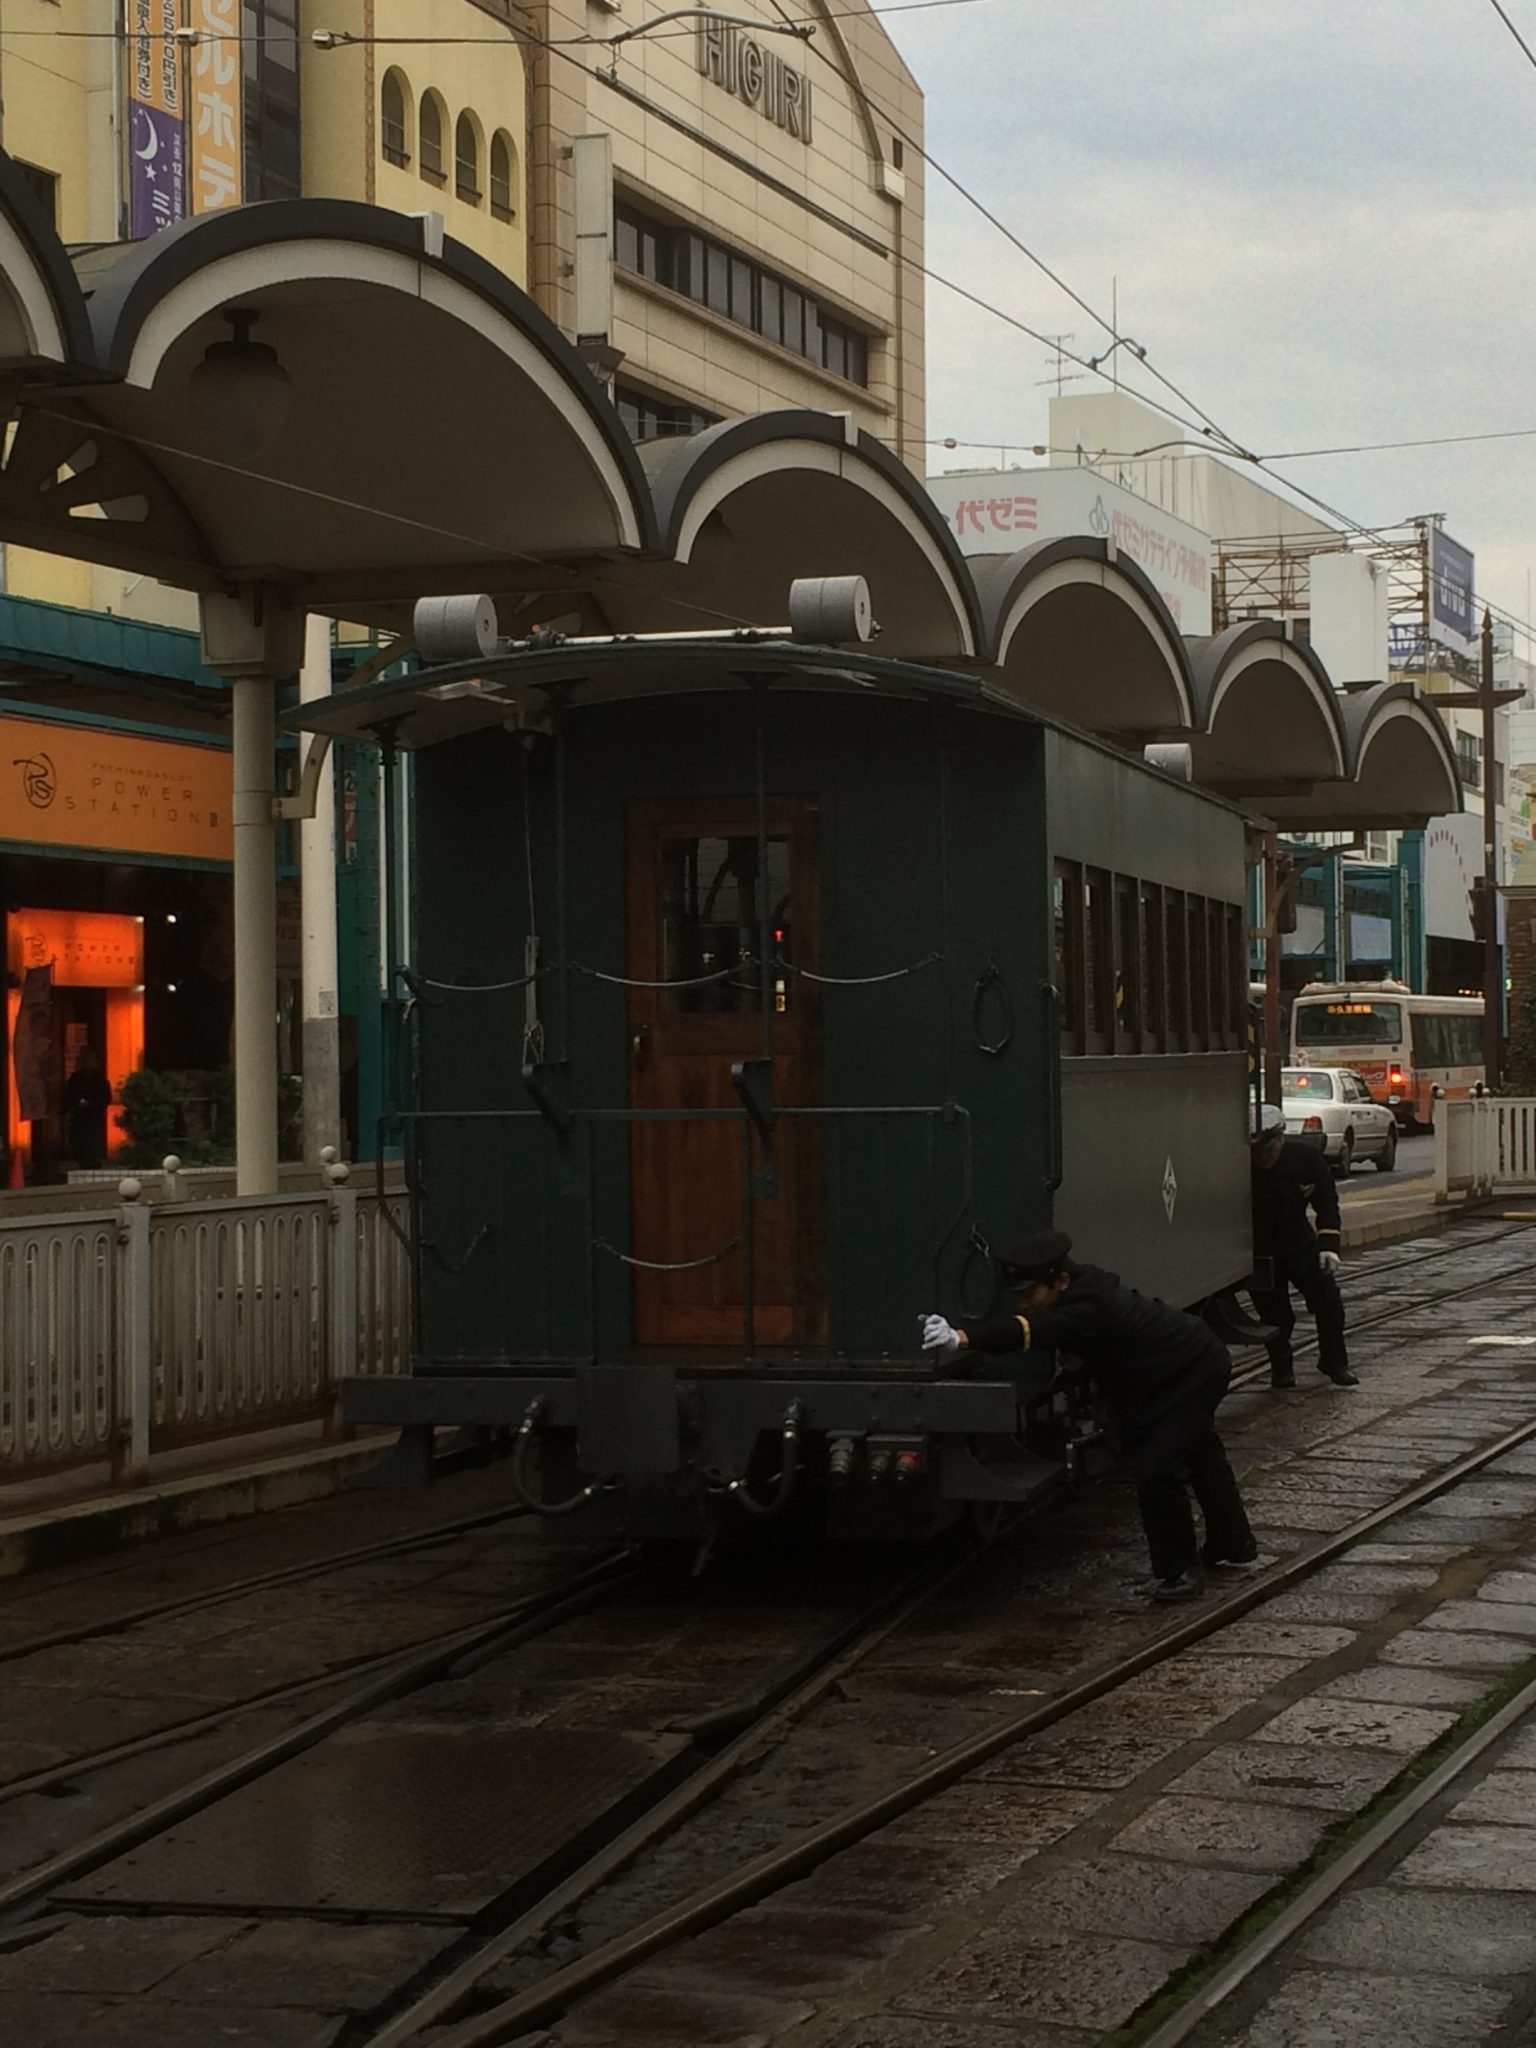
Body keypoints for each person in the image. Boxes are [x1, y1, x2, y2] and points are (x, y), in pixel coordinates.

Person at [922, 1231, 1256, 1603]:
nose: (1023, 1305)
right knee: (1200, 1452)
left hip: (1194, 1370)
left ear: (1060, 1281)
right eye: (1017, 1296)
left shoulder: (1090, 1305)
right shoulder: (1080, 1289)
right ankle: (1233, 1542)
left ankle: (1179, 1573)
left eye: (1030, 1295)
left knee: (1158, 1470)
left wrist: (963, 1337)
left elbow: (1035, 1331)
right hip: (1168, 1374)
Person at [1248, 1103, 1357, 1390]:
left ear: (1280, 1138)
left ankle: (1334, 1362)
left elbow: (1326, 1200)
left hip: (1299, 1241)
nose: (1263, 1157)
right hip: (1258, 1247)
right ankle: (1281, 1368)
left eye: (1268, 1149)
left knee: (1329, 1301)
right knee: (1275, 1314)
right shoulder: (1239, 1165)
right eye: (1256, 1152)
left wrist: (1329, 1245)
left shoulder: (1305, 1157)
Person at [62, 1045, 112, 1170]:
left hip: (94, 1116)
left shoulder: (100, 1079)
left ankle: (92, 1159)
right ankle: (80, 1159)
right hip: (79, 1116)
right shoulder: (76, 1078)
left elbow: (106, 1098)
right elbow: (69, 1095)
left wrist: (91, 1103)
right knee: (79, 1138)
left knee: (93, 1138)